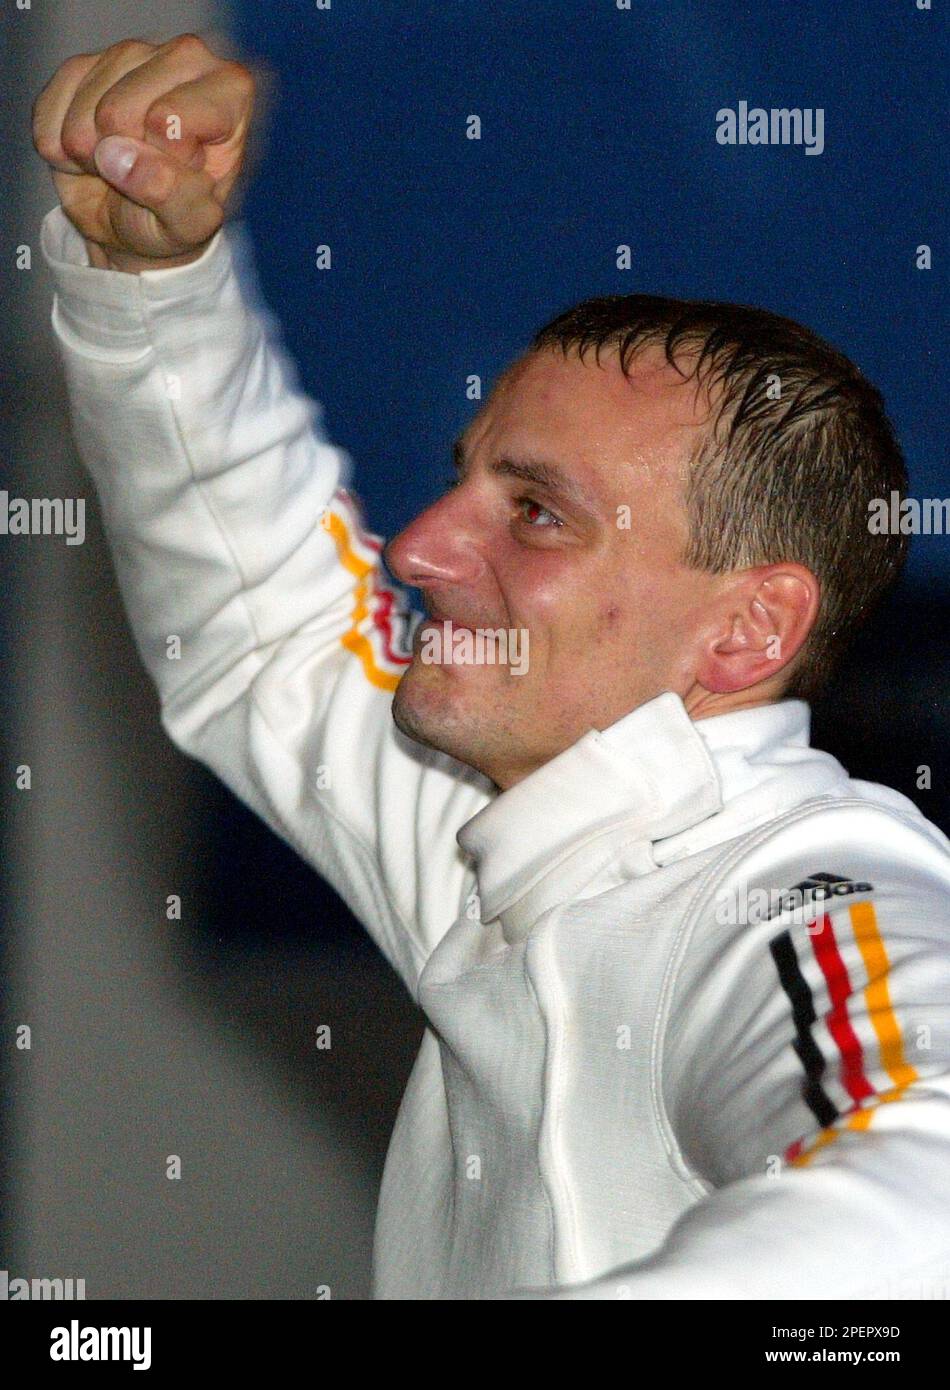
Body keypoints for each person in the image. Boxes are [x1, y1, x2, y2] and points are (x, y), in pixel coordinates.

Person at [32, 32, 950, 1300]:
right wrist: (152, 280)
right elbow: (273, 629)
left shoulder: (793, 894)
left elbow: (926, 1193)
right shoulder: (512, 826)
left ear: (743, 632)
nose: (415, 546)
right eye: (465, 476)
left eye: (536, 514)